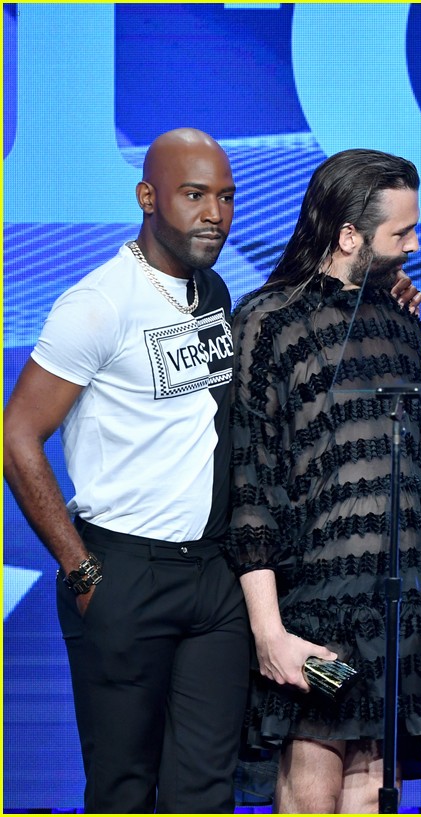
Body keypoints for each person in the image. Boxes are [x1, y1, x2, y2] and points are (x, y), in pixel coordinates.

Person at [3, 127, 249, 812]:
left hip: (212, 579)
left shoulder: (215, 293)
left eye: (227, 197)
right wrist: (82, 573)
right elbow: (16, 436)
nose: (214, 214)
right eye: (194, 194)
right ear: (147, 196)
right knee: (123, 792)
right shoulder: (99, 302)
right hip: (121, 572)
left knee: (205, 793)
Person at [224, 148, 421, 813]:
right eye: (402, 233)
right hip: (312, 616)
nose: (415, 245)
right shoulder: (269, 321)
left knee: (368, 787)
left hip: (396, 613)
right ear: (347, 235)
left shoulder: (402, 326)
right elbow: (251, 483)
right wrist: (268, 632)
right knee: (312, 785)